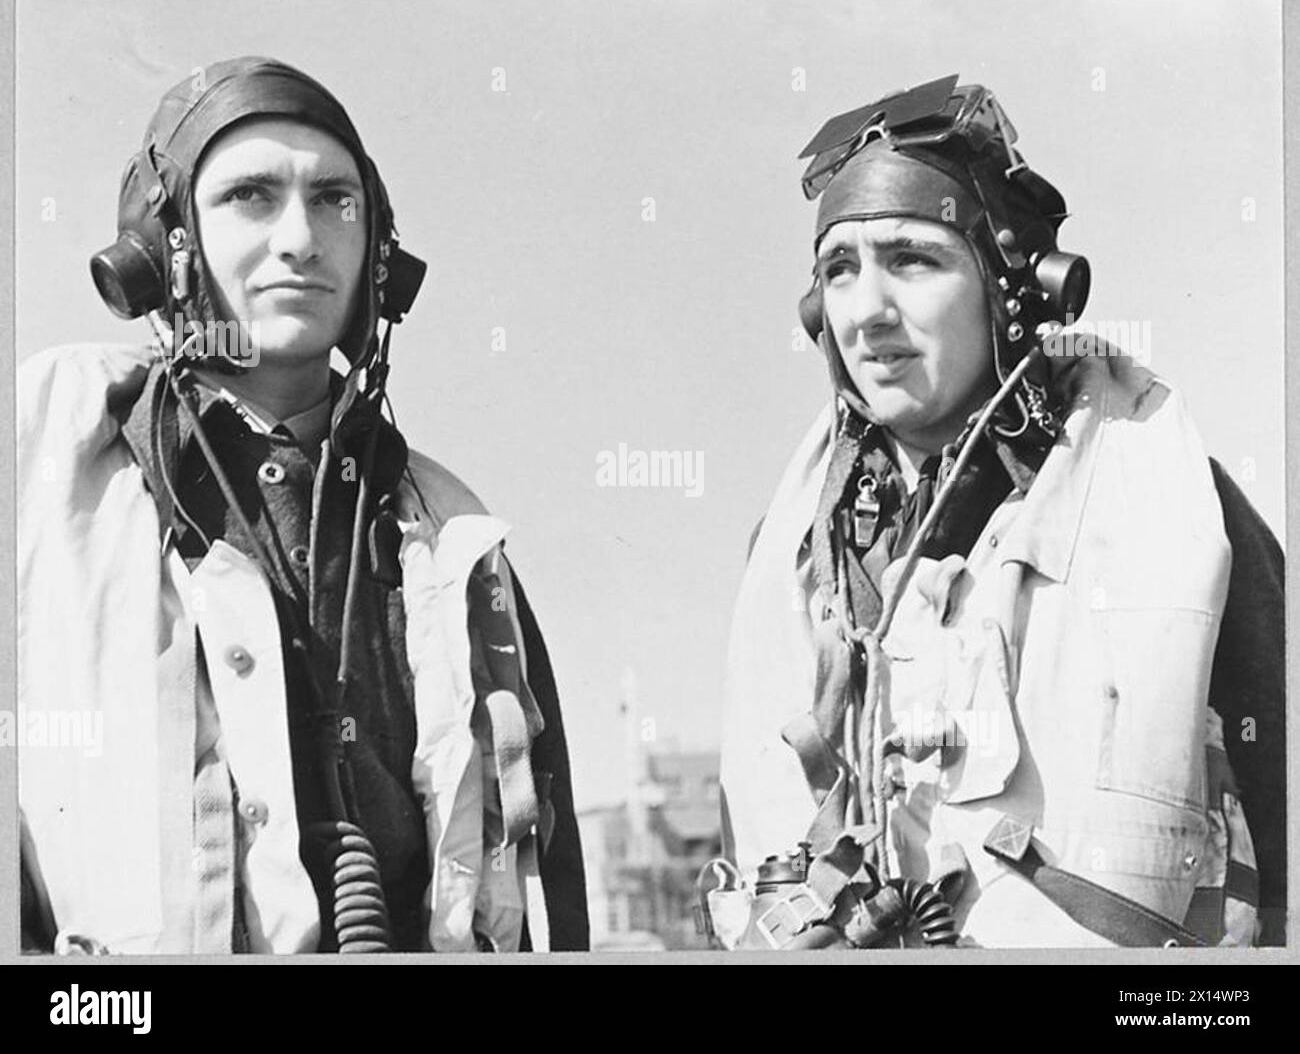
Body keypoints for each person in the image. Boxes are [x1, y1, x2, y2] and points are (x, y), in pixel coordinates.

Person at [19, 56, 588, 954]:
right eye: (250, 195)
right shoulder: (56, 491)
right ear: (162, 248)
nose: (300, 238)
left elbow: (544, 878)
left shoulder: (453, 534)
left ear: (381, 252)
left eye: (335, 199)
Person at [716, 75, 1284, 948]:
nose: (868, 310)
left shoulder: (1184, 512)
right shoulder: (792, 553)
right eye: (839, 269)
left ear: (1013, 286)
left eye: (914, 258)